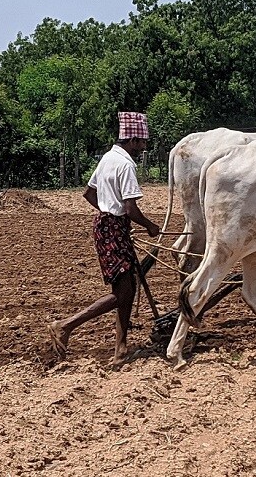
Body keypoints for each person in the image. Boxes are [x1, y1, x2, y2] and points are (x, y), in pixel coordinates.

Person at [47, 111, 160, 365]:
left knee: (127, 290)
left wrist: (108, 212)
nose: (143, 147)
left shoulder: (108, 158)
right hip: (114, 227)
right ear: (131, 139)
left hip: (107, 225)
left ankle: (121, 350)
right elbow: (130, 209)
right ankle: (65, 325)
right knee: (121, 294)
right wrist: (150, 226)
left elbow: (88, 193)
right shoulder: (126, 164)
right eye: (141, 142)